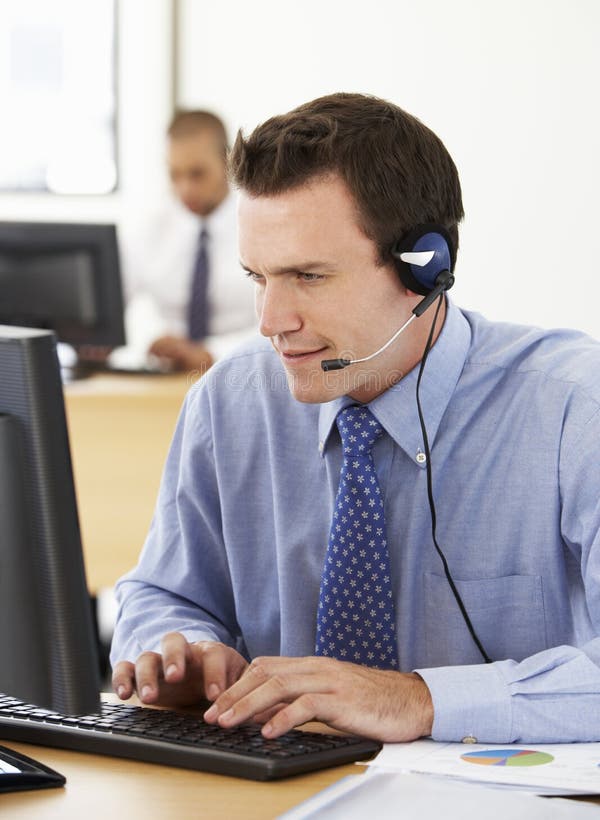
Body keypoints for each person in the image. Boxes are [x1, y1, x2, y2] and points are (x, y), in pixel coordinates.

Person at [111, 93, 600, 745]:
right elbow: (160, 595)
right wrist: (181, 650)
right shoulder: (228, 401)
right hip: (274, 796)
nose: (269, 321)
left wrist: (417, 701)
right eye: (258, 276)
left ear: (423, 268)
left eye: (307, 276)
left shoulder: (571, 406)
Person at [119, 109, 256, 371]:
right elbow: (114, 305)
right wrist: (150, 339)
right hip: (168, 378)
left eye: (197, 174)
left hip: (243, 371)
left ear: (229, 162)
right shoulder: (150, 228)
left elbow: (280, 326)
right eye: (175, 175)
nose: (184, 189)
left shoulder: (263, 225)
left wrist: (210, 353)